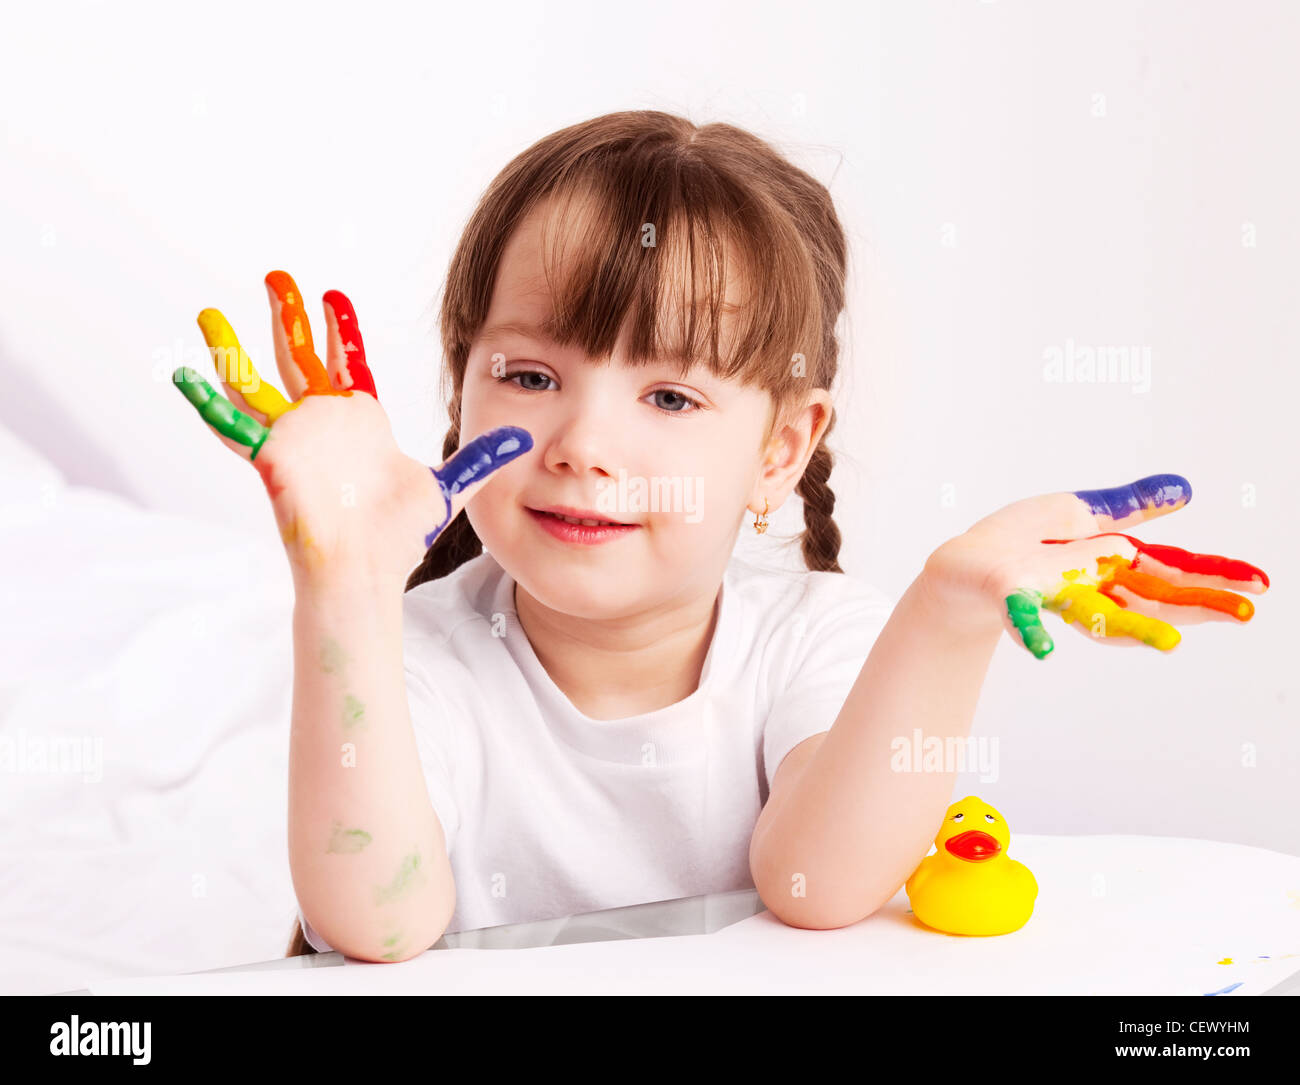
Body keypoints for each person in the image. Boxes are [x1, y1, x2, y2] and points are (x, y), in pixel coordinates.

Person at [172, 110, 1269, 964]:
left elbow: (815, 884)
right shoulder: (409, 650)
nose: (582, 442)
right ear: (460, 391)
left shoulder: (816, 639)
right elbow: (379, 924)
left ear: (782, 448)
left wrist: (947, 611)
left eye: (671, 398)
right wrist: (349, 588)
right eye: (531, 375)